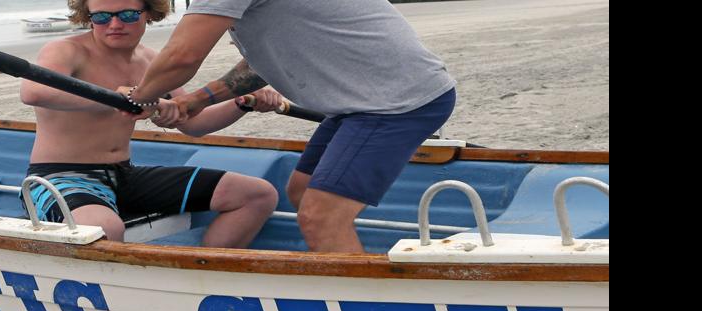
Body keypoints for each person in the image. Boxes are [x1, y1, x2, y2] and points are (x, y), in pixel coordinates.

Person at [129, 0, 457, 253]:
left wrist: (138, 99)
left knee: (320, 216)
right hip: (361, 102)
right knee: (301, 190)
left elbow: (182, 55)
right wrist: (196, 100)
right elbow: (260, 65)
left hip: (394, 101)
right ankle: (343, 262)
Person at [18, 0, 285, 246]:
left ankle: (200, 277)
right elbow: (34, 92)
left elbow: (194, 123)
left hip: (124, 175)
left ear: (149, 14)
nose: (114, 24)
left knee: (256, 195)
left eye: (128, 14)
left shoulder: (151, 61)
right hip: (58, 177)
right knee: (104, 228)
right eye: (101, 17)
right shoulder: (66, 50)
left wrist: (241, 102)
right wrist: (120, 98)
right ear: (87, 17)